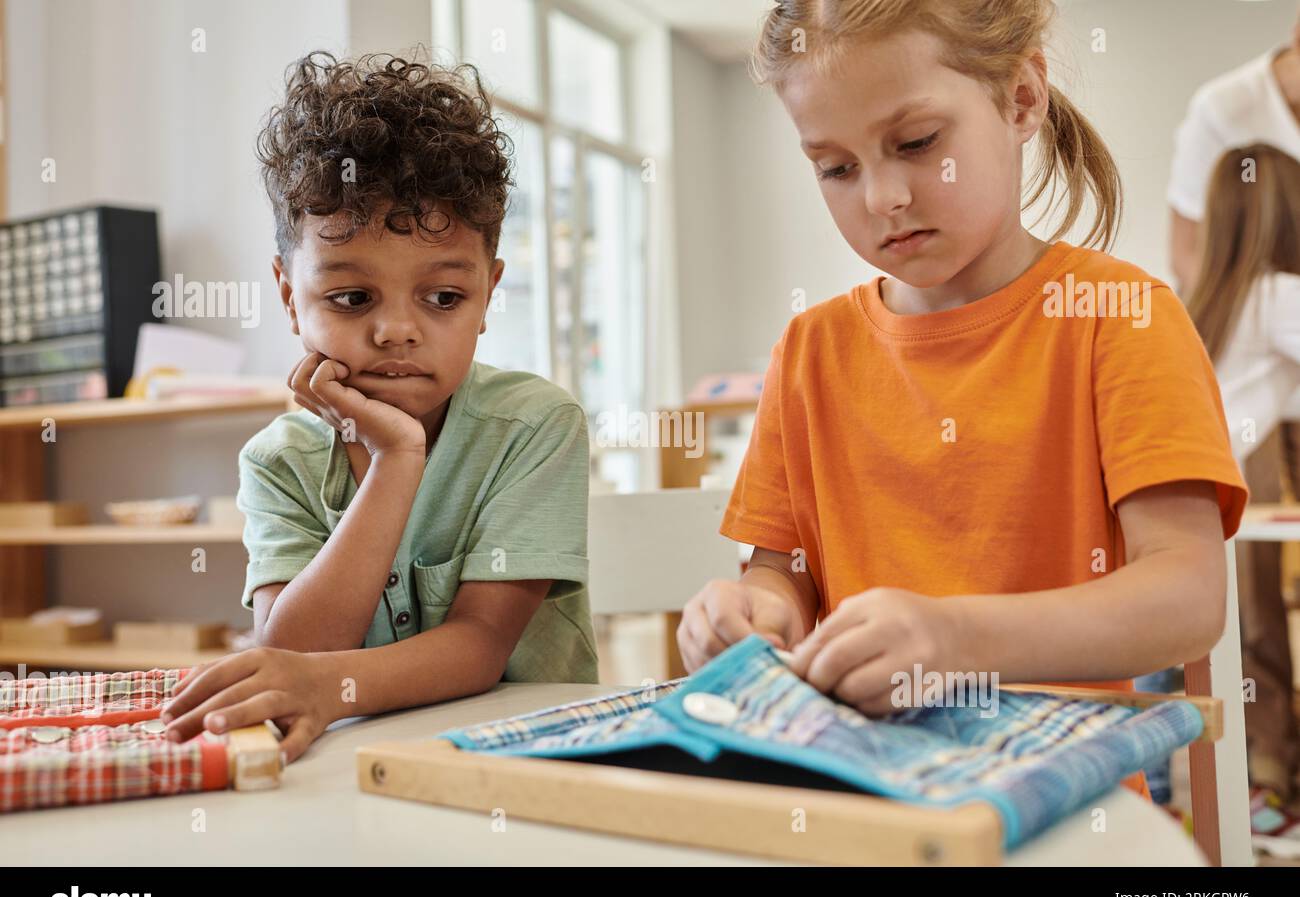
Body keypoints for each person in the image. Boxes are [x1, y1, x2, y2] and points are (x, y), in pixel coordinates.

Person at [677, 0, 1249, 801]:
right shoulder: (809, 350)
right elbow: (786, 579)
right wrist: (750, 612)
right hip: (855, 794)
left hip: (1060, 805)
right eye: (834, 167)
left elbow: (1186, 598)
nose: (881, 197)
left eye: (916, 144)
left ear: (1021, 100)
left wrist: (953, 638)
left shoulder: (1121, 317)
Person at [159, 52, 597, 763]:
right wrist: (396, 460)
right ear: (287, 294)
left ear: (488, 294)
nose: (397, 330)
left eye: (444, 298)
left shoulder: (535, 426)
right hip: (352, 774)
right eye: (353, 298)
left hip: (528, 767)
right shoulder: (278, 463)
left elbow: (481, 646)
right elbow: (293, 651)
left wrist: (332, 687)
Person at [1188, 143, 1300, 841]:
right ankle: (1270, 784)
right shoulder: (1280, 293)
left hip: (1201, 486)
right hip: (1247, 477)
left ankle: (1254, 786)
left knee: (1237, 645)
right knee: (1263, 633)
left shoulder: (1210, 300)